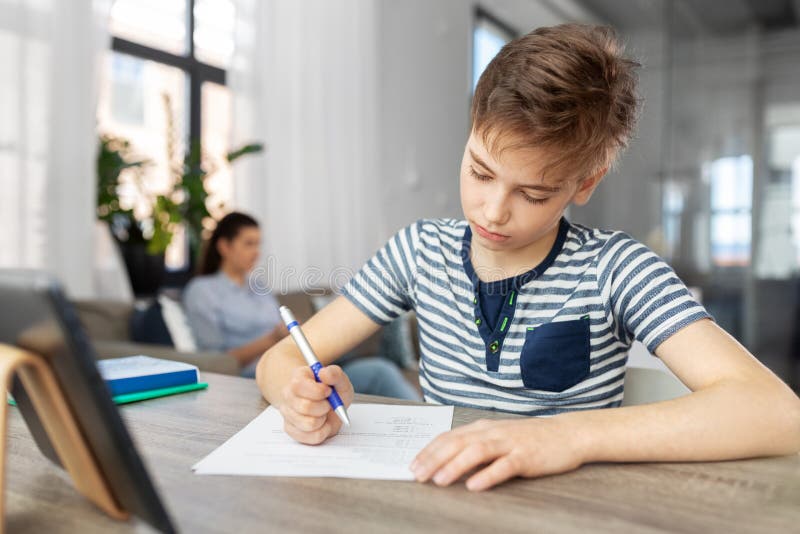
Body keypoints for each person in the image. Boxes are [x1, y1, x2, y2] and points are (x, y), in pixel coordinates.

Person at [256, 24, 800, 491]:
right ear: (470, 134)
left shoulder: (617, 270)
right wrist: (297, 396)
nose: (493, 212)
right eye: (480, 172)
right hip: (443, 497)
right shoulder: (418, 251)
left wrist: (566, 435)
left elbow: (776, 413)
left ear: (584, 184)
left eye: (533, 194)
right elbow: (281, 359)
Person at [183, 212, 420, 400]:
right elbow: (215, 360)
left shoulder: (258, 285)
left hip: (303, 363)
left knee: (379, 367)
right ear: (224, 247)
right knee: (379, 372)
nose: (256, 252)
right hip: (260, 375)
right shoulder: (202, 291)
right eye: (249, 244)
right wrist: (272, 339)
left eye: (258, 244)